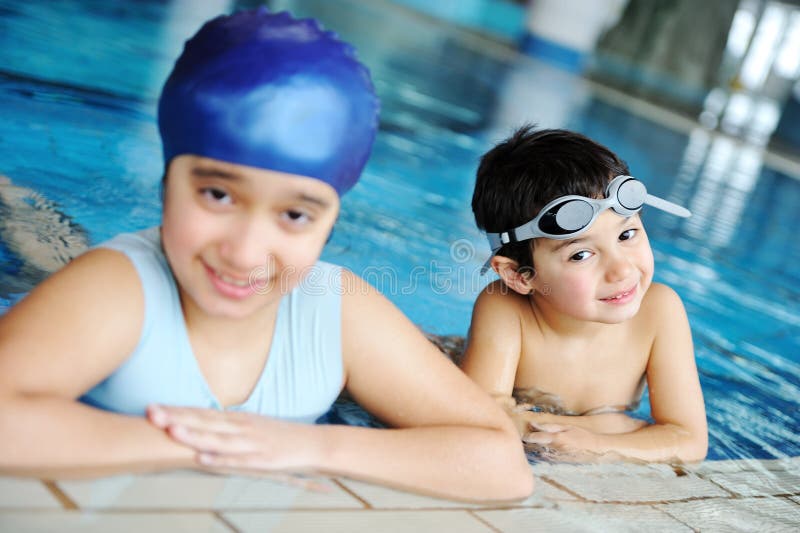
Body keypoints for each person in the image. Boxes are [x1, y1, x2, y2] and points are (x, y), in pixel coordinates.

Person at [0, 9, 533, 501]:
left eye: (295, 215)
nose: (245, 252)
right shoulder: (114, 288)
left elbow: (499, 462)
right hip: (105, 279)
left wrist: (303, 447)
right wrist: (207, 447)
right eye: (217, 195)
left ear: (330, 224)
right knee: (52, 255)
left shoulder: (334, 304)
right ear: (165, 182)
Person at [461, 125, 707, 463]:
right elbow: (479, 414)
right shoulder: (505, 307)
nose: (621, 270)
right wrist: (612, 425)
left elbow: (690, 441)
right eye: (581, 255)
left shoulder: (659, 312)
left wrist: (596, 442)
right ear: (519, 275)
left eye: (627, 234)